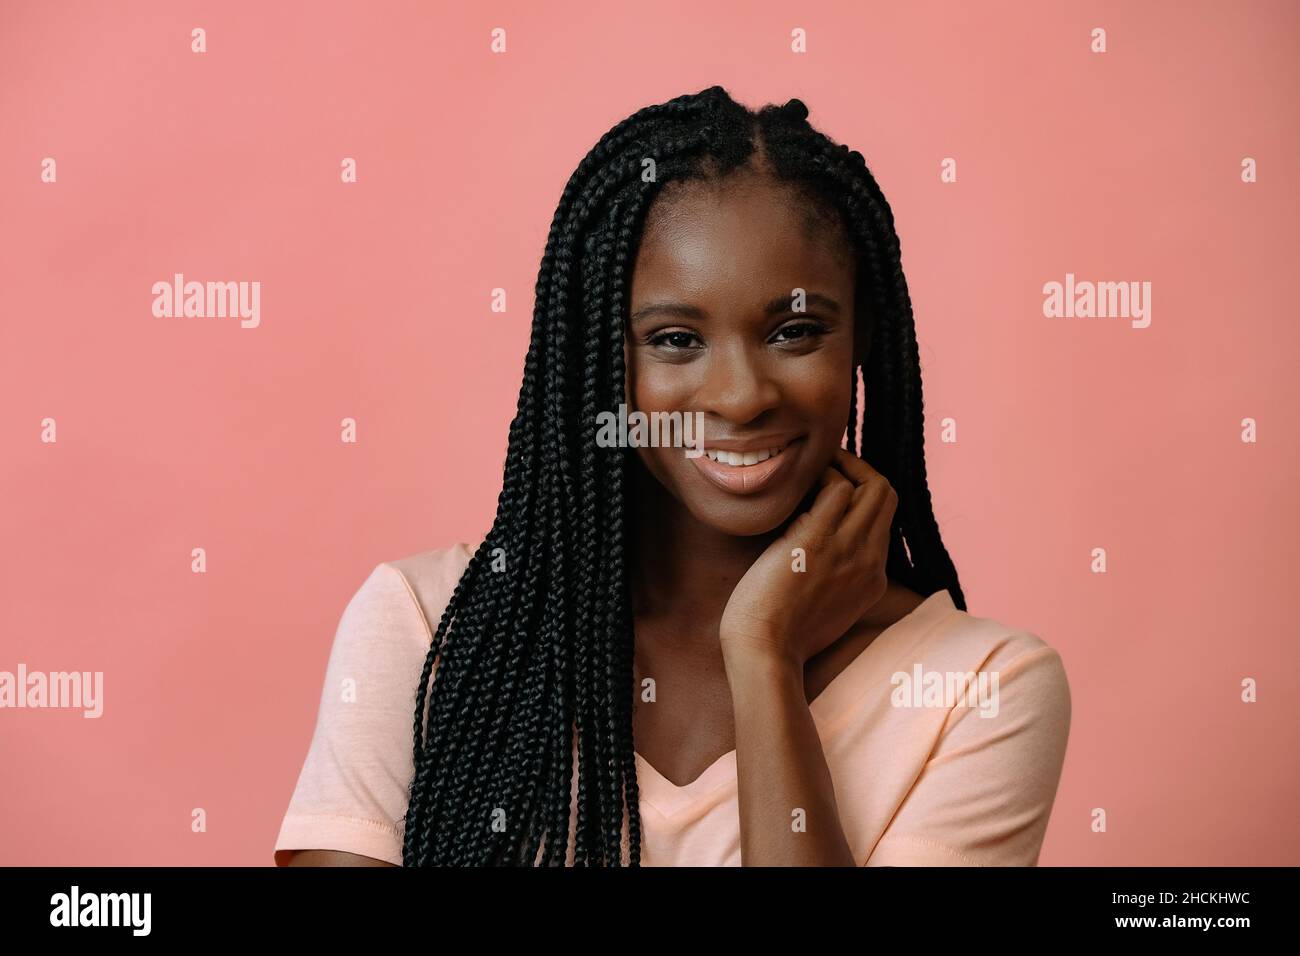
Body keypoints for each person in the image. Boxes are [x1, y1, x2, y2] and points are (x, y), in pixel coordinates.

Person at [274, 86, 1071, 867]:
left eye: (794, 332)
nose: (740, 395)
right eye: (675, 339)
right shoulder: (427, 631)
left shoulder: (982, 691)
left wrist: (764, 656)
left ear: (863, 337)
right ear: (597, 358)